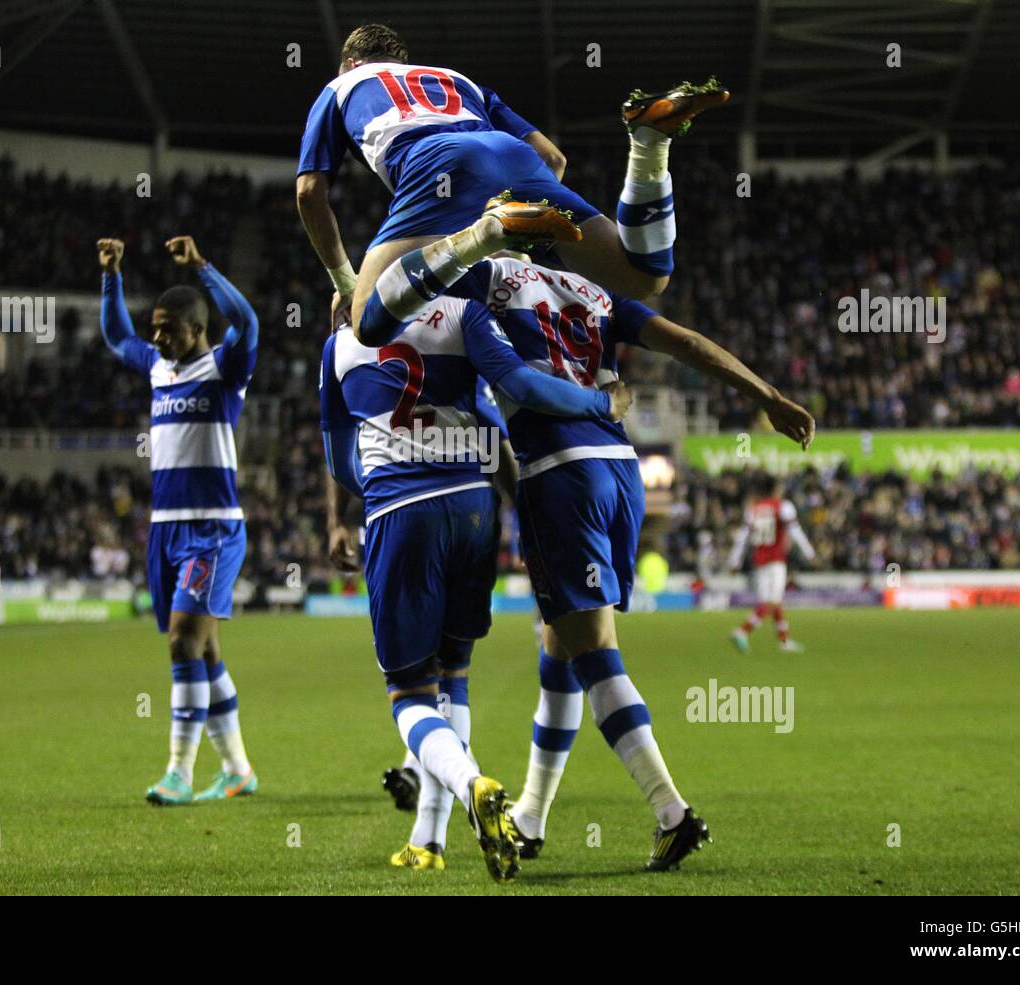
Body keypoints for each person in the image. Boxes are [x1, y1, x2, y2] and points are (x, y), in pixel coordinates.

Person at [361, 231, 815, 869]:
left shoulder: (484, 278)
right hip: (621, 467)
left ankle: (671, 810)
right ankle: (531, 815)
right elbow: (684, 342)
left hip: (558, 469)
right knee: (560, 642)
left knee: (594, 651)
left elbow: (393, 299)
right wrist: (764, 394)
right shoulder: (596, 293)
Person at [320, 276, 633, 880]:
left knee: (408, 693)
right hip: (473, 505)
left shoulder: (337, 350)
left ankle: (471, 786)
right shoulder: (461, 313)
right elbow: (514, 392)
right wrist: (601, 404)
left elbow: (340, 462)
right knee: (453, 675)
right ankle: (428, 839)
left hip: (402, 509)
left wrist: (391, 480)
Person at [295, 22, 729, 341]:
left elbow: (309, 193)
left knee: (367, 321)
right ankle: (649, 144)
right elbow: (553, 156)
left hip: (438, 163)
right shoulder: (456, 78)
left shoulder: (341, 86)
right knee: (644, 280)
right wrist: (524, 235)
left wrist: (345, 283)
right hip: (515, 158)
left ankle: (480, 236)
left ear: (350, 63)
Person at [97, 233, 260, 806]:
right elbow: (118, 335)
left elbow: (250, 322)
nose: (158, 337)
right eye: (157, 327)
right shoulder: (156, 368)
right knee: (205, 651)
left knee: (181, 646)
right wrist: (112, 275)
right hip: (164, 527)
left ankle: (179, 772)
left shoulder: (225, 368)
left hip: (211, 528)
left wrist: (205, 268)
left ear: (198, 330)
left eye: (170, 328)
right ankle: (238, 768)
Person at [727, 474, 817, 654]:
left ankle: (784, 641)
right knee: (771, 601)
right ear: (775, 489)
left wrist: (734, 560)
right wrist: (810, 553)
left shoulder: (753, 509)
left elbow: (742, 537)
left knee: (773, 602)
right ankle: (742, 631)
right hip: (776, 560)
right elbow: (795, 531)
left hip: (759, 560)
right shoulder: (783, 507)